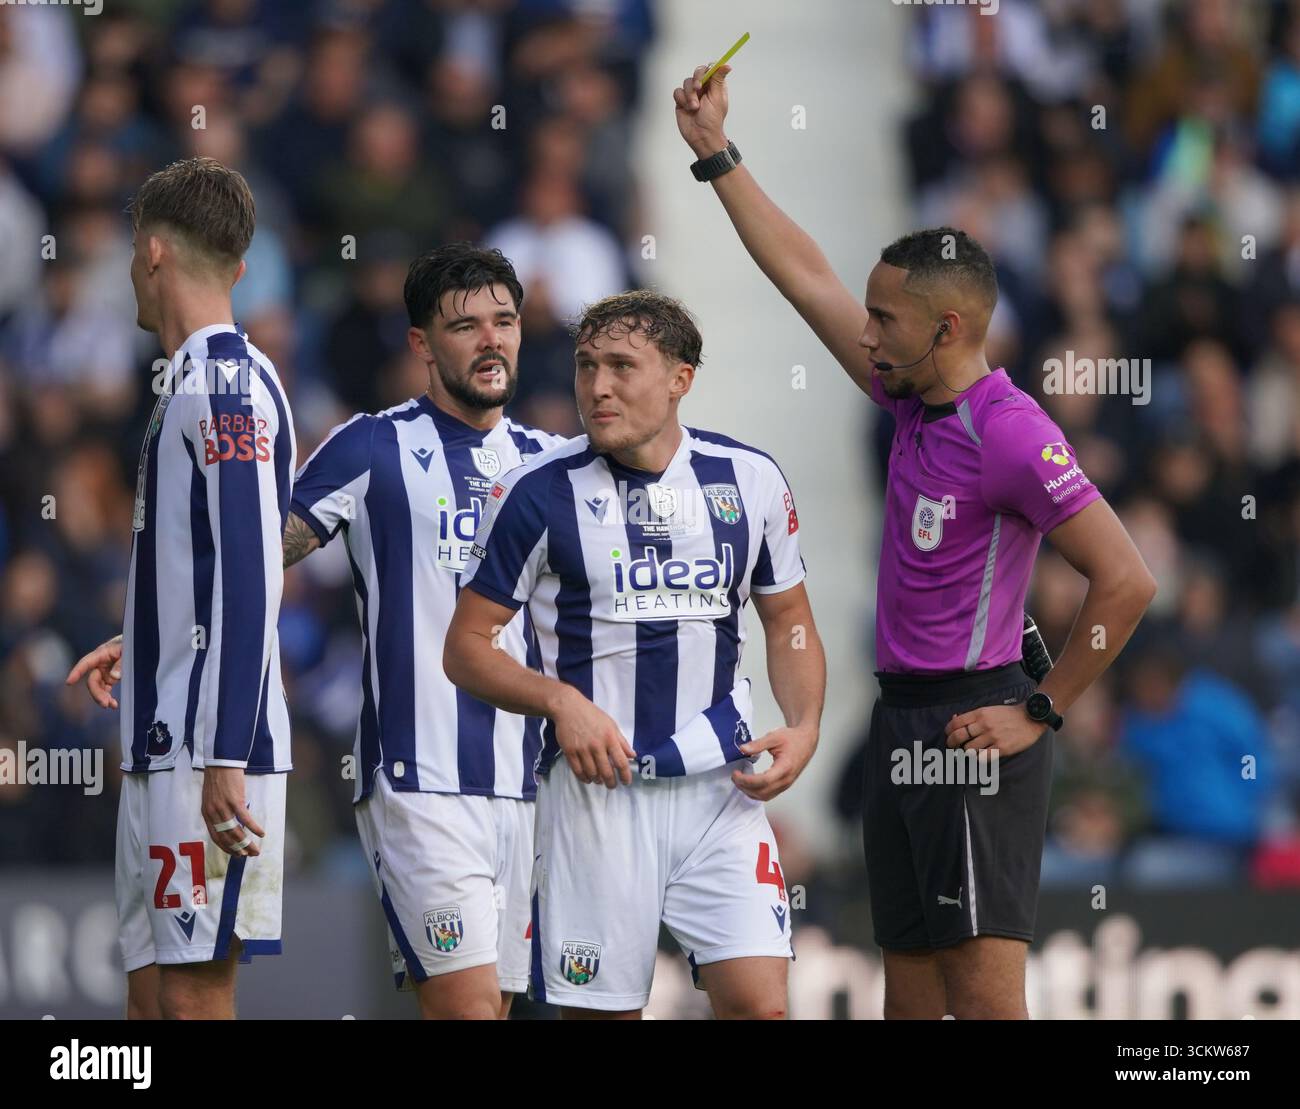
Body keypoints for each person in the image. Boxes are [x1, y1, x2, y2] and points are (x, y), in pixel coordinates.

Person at [673, 65, 1156, 1019]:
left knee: (982, 1001)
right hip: (901, 720)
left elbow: (1127, 580)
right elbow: (804, 275)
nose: (866, 333)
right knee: (911, 1001)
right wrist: (717, 153)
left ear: (946, 328)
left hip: (976, 723)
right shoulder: (909, 397)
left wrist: (1043, 711)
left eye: (883, 319)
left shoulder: (1010, 431)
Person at [444, 290, 826, 1019]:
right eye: (587, 366)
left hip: (721, 787)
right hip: (596, 800)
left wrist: (805, 725)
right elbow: (465, 647)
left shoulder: (748, 482)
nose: (597, 386)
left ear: (681, 377)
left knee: (763, 1006)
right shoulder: (536, 493)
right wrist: (560, 701)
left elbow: (791, 623)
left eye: (622, 365)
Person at [283, 243, 564, 1019]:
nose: (491, 340)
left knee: (494, 1007)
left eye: (503, 321)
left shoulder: (553, 462)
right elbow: (271, 550)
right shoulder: (370, 445)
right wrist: (174, 625)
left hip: (525, 787)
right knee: (469, 1007)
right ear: (421, 345)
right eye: (465, 325)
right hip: (419, 781)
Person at [66, 156, 296, 1019]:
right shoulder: (197, 382)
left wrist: (227, 750)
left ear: (153, 251)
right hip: (165, 737)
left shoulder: (224, 385)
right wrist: (148, 634)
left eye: (132, 249)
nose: (129, 265)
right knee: (153, 1003)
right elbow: (209, 561)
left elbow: (251, 569)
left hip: (208, 746)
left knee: (196, 998)